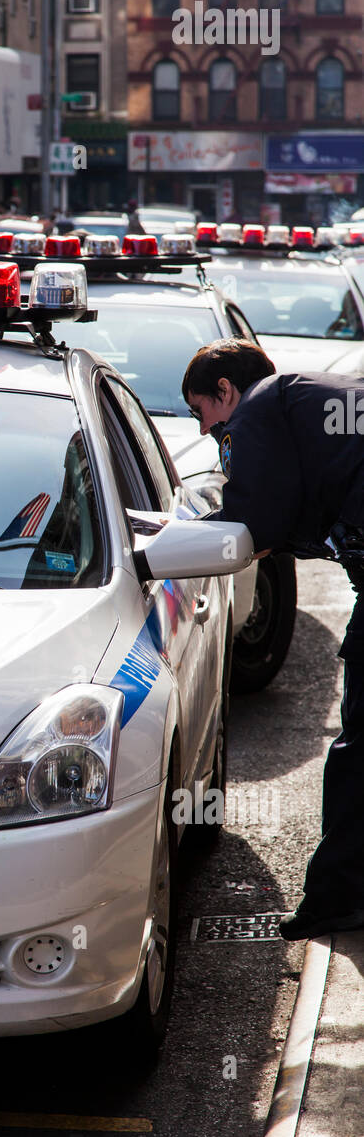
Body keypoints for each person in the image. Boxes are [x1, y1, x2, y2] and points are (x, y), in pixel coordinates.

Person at [181, 337, 364, 940]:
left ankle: (338, 901)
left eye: (201, 413)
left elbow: (253, 523)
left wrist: (166, 540)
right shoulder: (310, 401)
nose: (207, 432)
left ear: (226, 391)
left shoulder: (258, 410)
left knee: (360, 749)